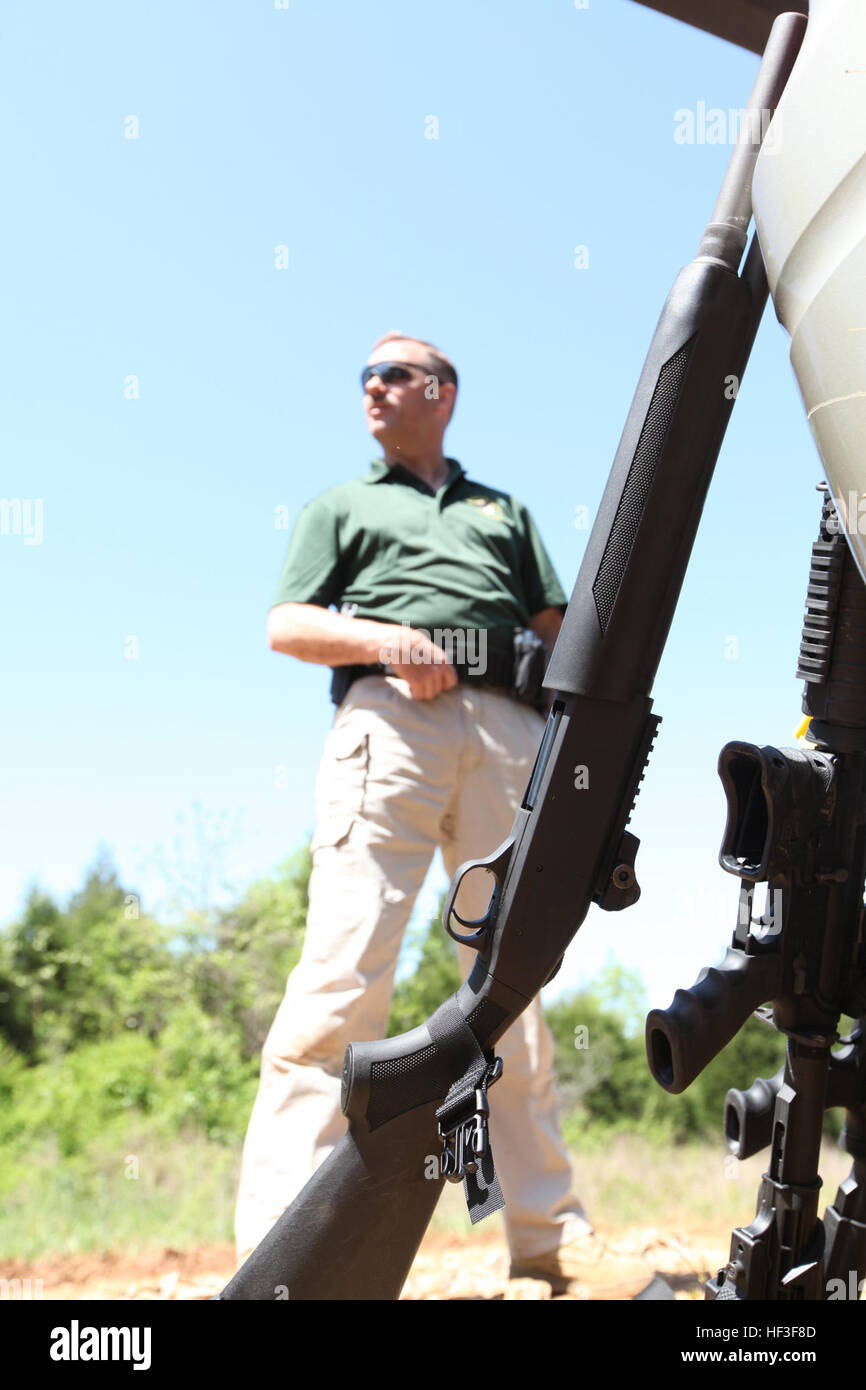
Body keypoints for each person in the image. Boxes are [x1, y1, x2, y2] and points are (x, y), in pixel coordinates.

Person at [234, 332, 651, 1297]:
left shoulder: (502, 511)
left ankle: (548, 1237)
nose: (373, 389)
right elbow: (287, 624)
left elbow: (565, 636)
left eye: (394, 373)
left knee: (514, 985)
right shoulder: (344, 504)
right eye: (365, 378)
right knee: (344, 970)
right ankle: (282, 1255)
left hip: (511, 733)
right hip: (389, 724)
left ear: (443, 393)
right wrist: (385, 639)